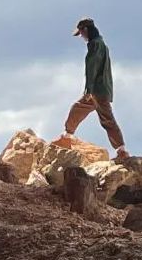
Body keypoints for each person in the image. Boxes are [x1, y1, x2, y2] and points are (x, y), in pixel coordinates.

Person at [53, 18, 129, 159]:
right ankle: (66, 137)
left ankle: (122, 150)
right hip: (102, 88)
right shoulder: (101, 44)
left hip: (97, 90)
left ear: (86, 30)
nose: (81, 36)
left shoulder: (95, 44)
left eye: (81, 33)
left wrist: (89, 90)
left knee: (105, 119)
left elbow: (92, 68)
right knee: (83, 111)